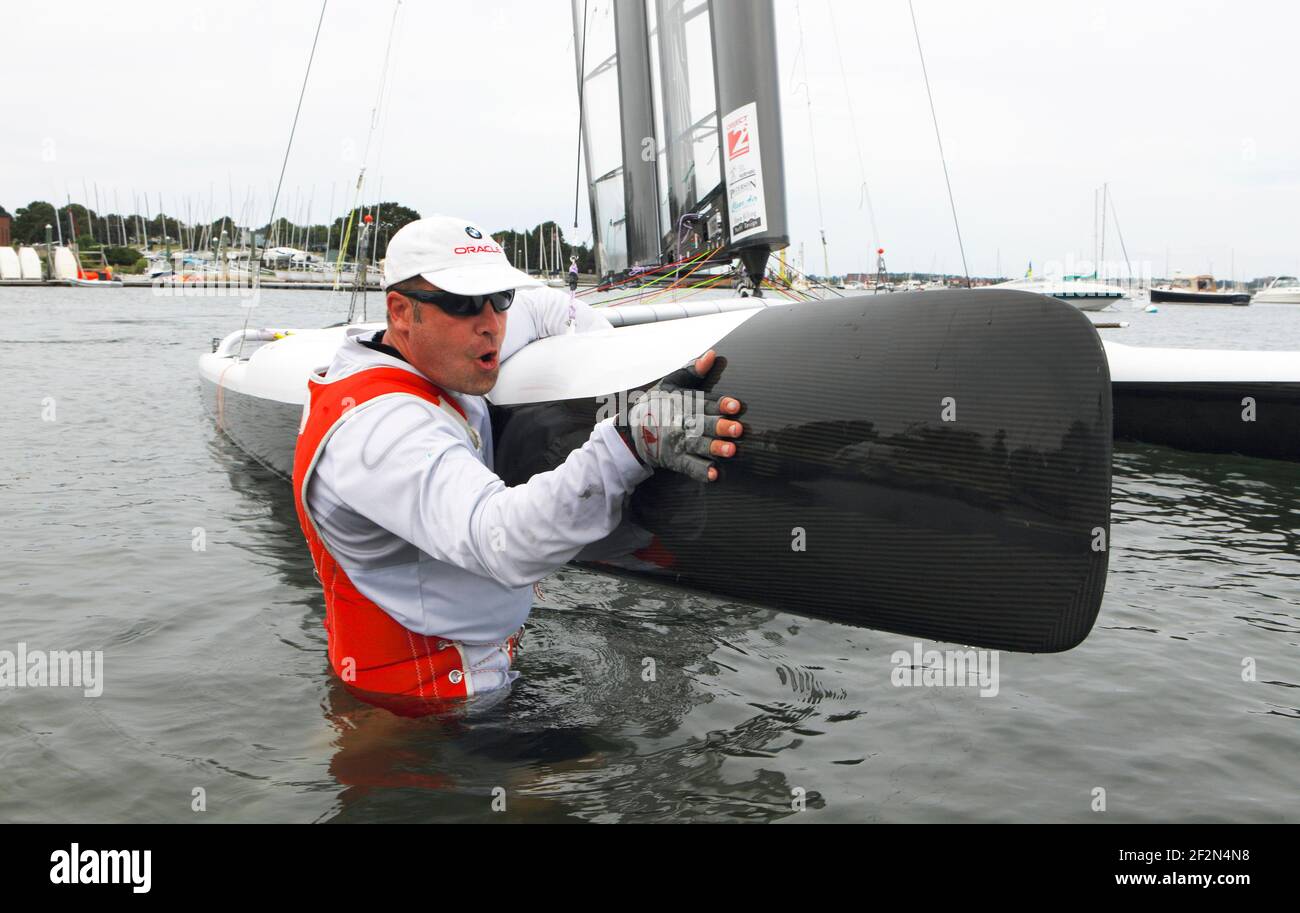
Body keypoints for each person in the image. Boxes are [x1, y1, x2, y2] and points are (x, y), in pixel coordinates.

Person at [292, 215, 745, 715]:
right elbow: (498, 540)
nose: (490, 323)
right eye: (463, 303)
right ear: (401, 312)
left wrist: (614, 365)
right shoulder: (382, 430)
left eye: (499, 298)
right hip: (424, 716)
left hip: (475, 675)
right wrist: (630, 441)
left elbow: (546, 305)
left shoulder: (444, 347)